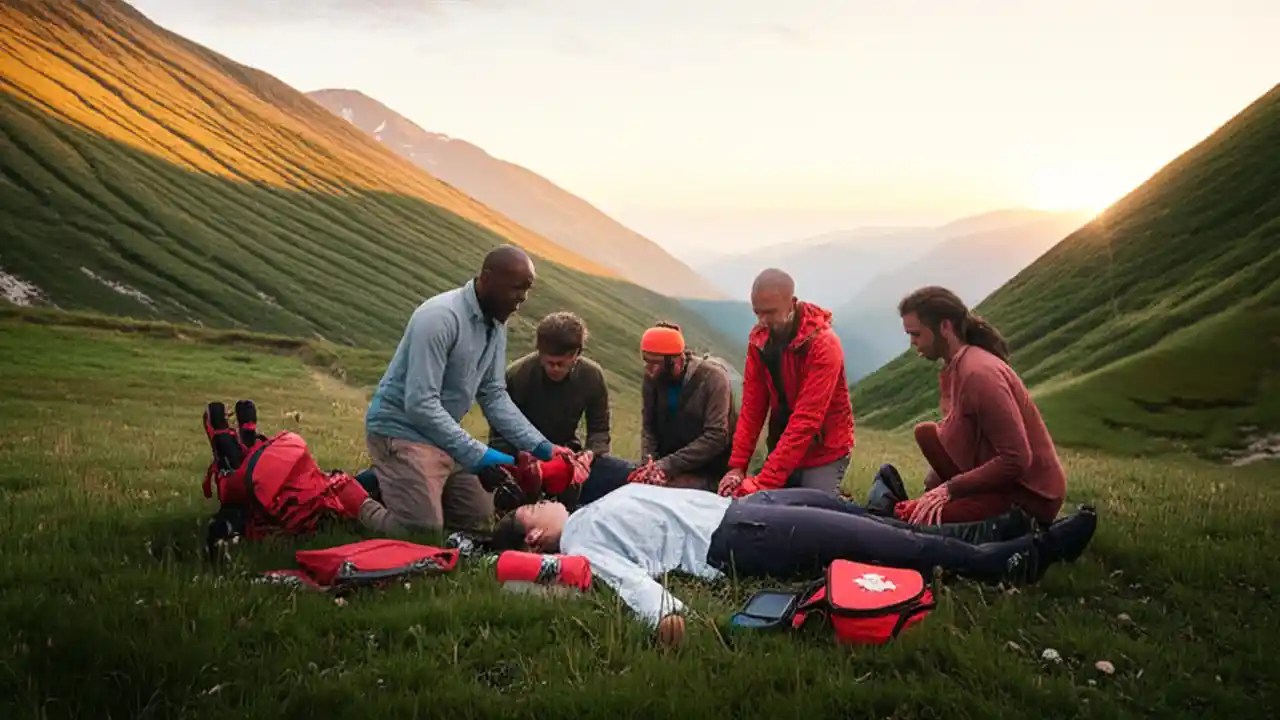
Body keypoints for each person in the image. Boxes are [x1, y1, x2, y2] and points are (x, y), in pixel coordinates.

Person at [491, 483, 1098, 647]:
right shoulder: (580, 542)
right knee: (877, 544)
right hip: (741, 536)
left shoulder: (592, 507)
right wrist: (667, 617)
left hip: (744, 507)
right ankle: (1010, 561)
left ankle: (990, 531)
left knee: (867, 521)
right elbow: (631, 583)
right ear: (538, 533)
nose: (542, 502)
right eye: (534, 507)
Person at [358, 245, 569, 535]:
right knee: (422, 532)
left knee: (477, 524)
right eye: (516, 288)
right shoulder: (439, 318)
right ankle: (348, 495)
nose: (523, 298)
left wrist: (543, 447)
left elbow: (493, 394)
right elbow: (420, 405)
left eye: (527, 289)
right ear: (487, 278)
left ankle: (391, 484)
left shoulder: (496, 324)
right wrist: (479, 456)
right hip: (400, 432)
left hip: (441, 438)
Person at [894, 286, 1067, 526]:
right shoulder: (957, 366)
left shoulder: (979, 374)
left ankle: (1029, 532)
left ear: (945, 327)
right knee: (925, 434)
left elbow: (1016, 459)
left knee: (915, 520)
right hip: (1000, 486)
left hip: (1028, 497)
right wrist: (938, 485)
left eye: (916, 334)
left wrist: (951, 489)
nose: (913, 343)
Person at [718, 269, 855, 498]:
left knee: (811, 518)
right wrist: (737, 467)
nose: (763, 321)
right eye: (757, 313)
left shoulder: (824, 345)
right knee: (765, 510)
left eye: (770, 313)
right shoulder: (760, 341)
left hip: (825, 451)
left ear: (792, 303)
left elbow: (807, 420)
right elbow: (753, 407)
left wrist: (765, 482)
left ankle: (842, 504)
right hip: (782, 443)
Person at [489, 311, 611, 457]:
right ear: (539, 352)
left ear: (576, 354)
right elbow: (500, 434)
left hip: (567, 453)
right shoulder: (517, 376)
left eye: (560, 363)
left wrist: (590, 455)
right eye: (549, 363)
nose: (555, 369)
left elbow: (599, 431)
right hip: (522, 453)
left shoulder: (592, 376)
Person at [638, 321, 738, 490]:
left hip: (709, 473)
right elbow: (649, 427)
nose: (650, 370)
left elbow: (716, 436)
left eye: (656, 363)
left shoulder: (713, 379)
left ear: (676, 360)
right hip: (668, 468)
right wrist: (649, 463)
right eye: (647, 362)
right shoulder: (652, 378)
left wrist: (667, 465)